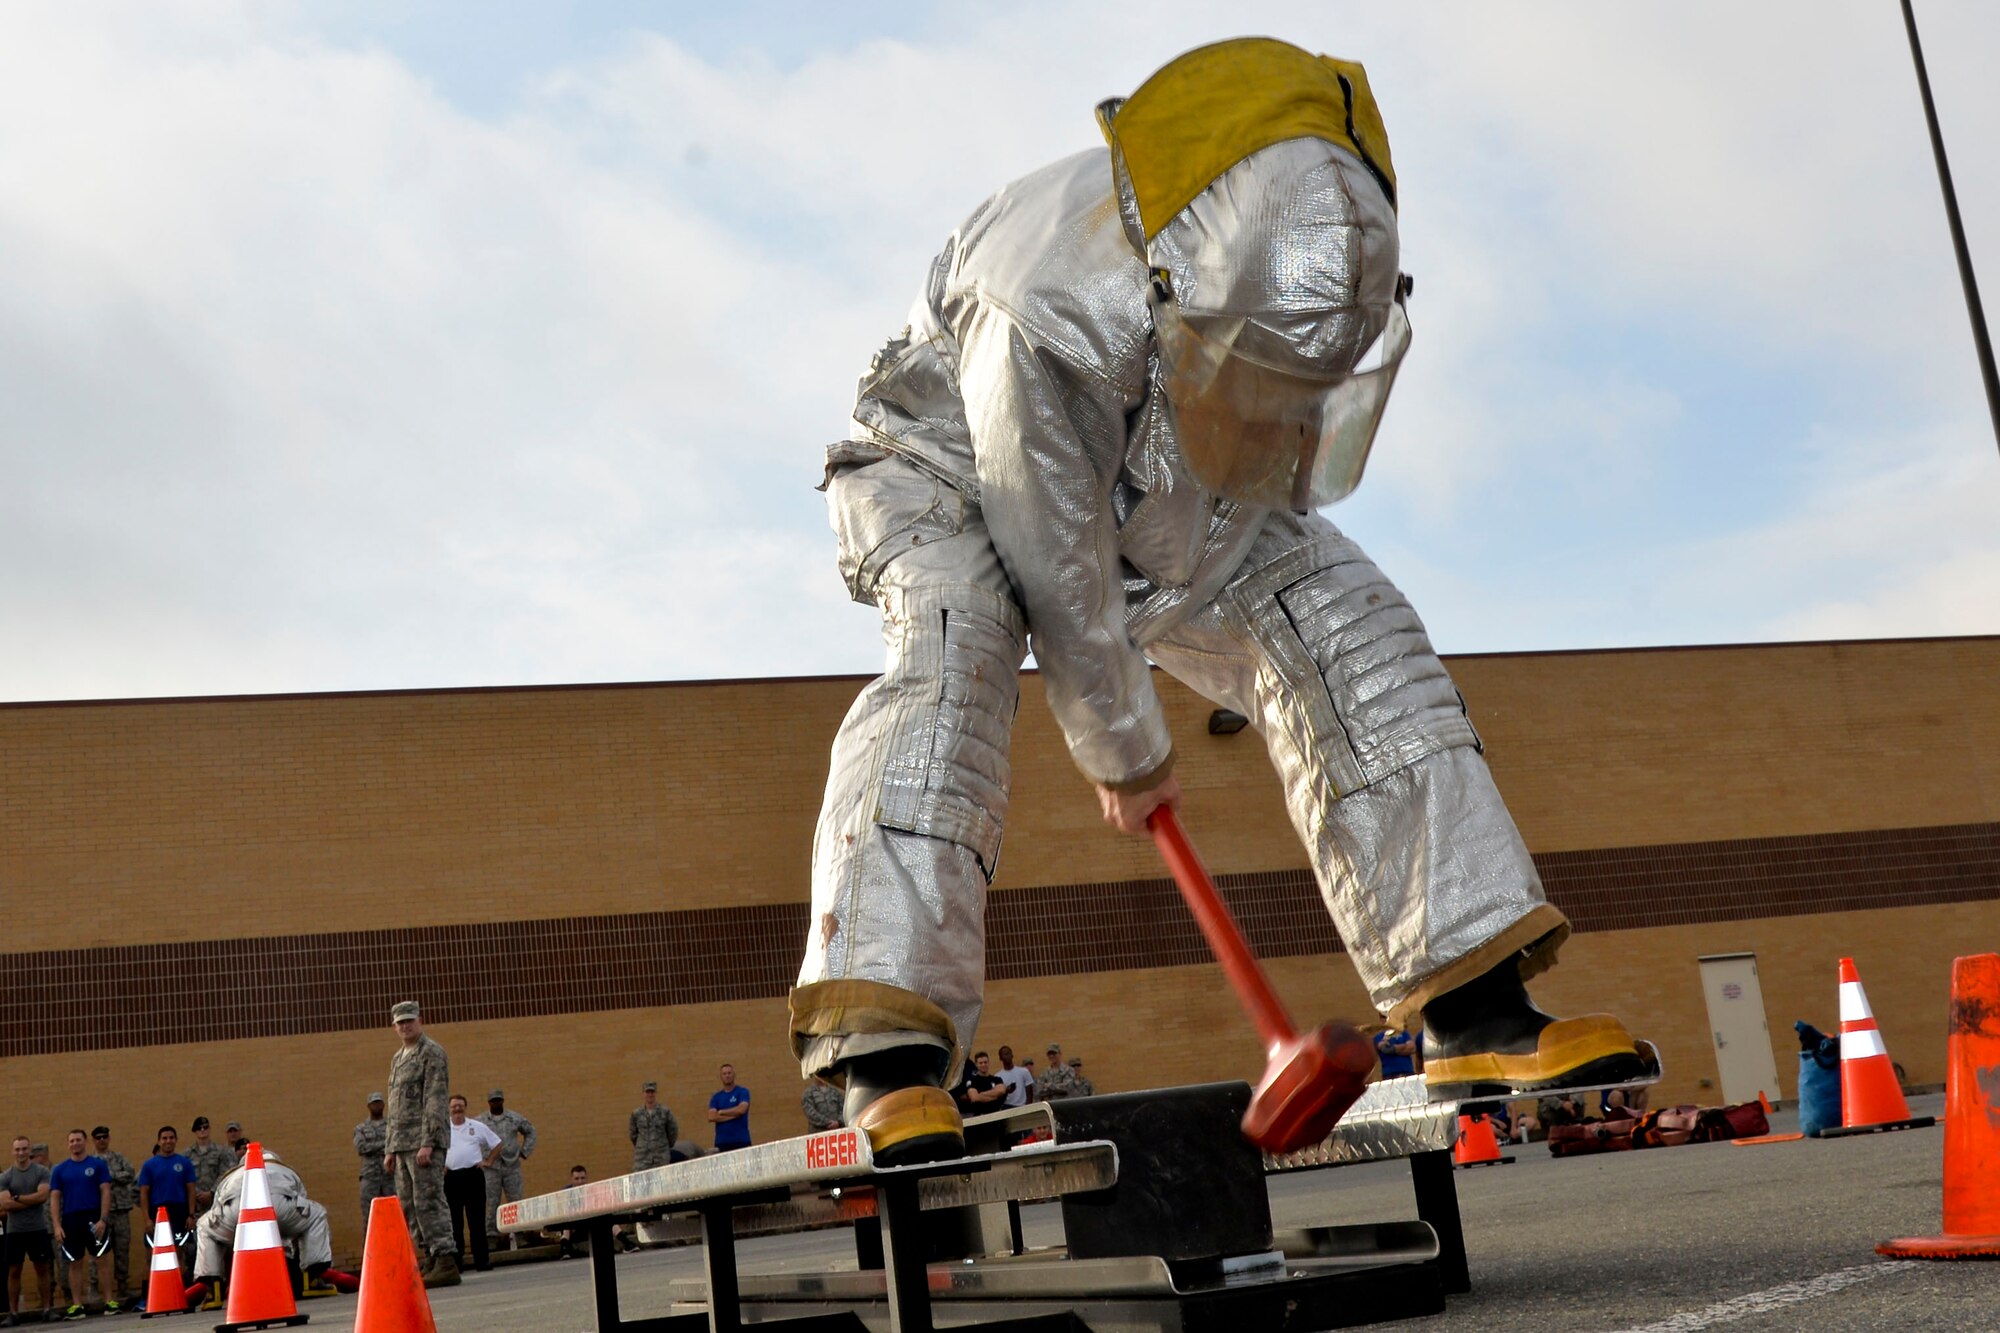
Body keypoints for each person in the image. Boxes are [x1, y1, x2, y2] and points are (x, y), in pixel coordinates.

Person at [787, 36, 1644, 1165]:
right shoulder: (1039, 293)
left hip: (1178, 476)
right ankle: (885, 1058)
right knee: (956, 660)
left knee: (1345, 628)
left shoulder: (1322, 265)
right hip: (956, 479)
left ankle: (1471, 1002)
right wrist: (1124, 751)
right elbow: (1053, 555)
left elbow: (1256, 468)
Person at [383, 1000, 457, 1288]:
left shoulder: (432, 1053)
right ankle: (428, 1258)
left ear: (420, 1020)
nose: (405, 1026)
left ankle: (446, 1259)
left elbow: (435, 1100)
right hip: (401, 1145)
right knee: (409, 1205)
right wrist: (390, 1147)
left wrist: (429, 1142)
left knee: (429, 1201)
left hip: (424, 1144)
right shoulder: (398, 1057)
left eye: (410, 1020)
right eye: (400, 1023)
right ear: (394, 1026)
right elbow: (395, 1105)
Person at [191, 1150, 333, 1301]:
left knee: (205, 1227)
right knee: (317, 1214)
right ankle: (313, 1278)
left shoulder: (232, 1175)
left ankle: (213, 1288)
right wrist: (287, 1243)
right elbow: (302, 1202)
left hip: (237, 1212)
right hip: (279, 1207)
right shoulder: (286, 1170)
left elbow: (216, 1208)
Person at [48, 1129, 120, 1318]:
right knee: (74, 1262)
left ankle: (109, 1301)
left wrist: (103, 1219)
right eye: (71, 1141)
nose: (75, 1143)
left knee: (102, 1259)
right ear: (68, 1144)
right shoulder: (60, 1169)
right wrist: (57, 1225)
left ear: (85, 1142)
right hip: (71, 1219)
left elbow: (105, 1191)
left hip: (93, 1218)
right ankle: (77, 1305)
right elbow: (54, 1198)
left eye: (78, 1140)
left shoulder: (97, 1165)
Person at [1, 1134, 57, 1325]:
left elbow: (42, 1197)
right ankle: (13, 1313)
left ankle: (47, 1309)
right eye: (17, 1149)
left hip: (37, 1228)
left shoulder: (41, 1172)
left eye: (24, 1149)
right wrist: (28, 1200)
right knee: (14, 1270)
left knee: (42, 1268)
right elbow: (5, 1205)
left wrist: (17, 1198)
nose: (21, 1152)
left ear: (29, 1150)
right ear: (12, 1151)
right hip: (14, 1231)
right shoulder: (6, 1176)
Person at [443, 1095, 501, 1273]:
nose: (457, 1109)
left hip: (473, 1176)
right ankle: (457, 1262)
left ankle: (482, 1261)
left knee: (477, 1221)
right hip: (452, 1178)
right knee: (455, 1222)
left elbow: (497, 1144)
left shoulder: (476, 1126)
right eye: (454, 1106)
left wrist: (488, 1161)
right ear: (449, 1109)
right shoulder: (444, 1128)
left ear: (465, 1107)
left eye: (460, 1106)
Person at [477, 1089, 535, 1253]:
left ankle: (519, 1234)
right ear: (489, 1103)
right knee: (491, 1202)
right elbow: (470, 1138)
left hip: (511, 1166)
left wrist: (525, 1151)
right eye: (493, 1101)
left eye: (499, 1100)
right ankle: (491, 1238)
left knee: (515, 1201)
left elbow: (531, 1131)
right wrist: (478, 1159)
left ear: (503, 1101)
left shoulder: (514, 1118)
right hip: (491, 1168)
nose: (496, 1103)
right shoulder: (481, 1121)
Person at [87, 1127, 137, 1306]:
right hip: (99, 1213)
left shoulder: (118, 1158)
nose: (102, 1140)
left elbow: (130, 1174)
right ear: (93, 1140)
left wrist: (109, 1177)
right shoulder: (90, 1162)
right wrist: (109, 1179)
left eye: (104, 1137)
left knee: (122, 1249)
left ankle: (123, 1285)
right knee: (97, 1251)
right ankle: (94, 1288)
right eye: (98, 1138)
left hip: (121, 1210)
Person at [134, 1126, 194, 1267]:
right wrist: (147, 1219)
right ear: (159, 1141)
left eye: (171, 1138)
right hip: (157, 1212)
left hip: (179, 1212)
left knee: (178, 1254)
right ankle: (155, 1289)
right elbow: (144, 1194)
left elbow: (191, 1190)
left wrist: (191, 1215)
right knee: (153, 1255)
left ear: (176, 1140)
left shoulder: (184, 1163)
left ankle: (178, 1289)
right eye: (165, 1138)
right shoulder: (149, 1165)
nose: (168, 1141)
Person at [353, 1092, 393, 1231]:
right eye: (374, 1103)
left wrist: (376, 1145)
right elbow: (362, 1148)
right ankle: (370, 1251)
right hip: (370, 1177)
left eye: (379, 1103)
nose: (377, 1106)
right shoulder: (361, 1128)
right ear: (369, 1106)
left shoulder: (391, 1125)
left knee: (393, 1215)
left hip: (390, 1176)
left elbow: (396, 1144)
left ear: (383, 1105)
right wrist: (385, 1145)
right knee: (369, 1217)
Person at [183, 1119, 233, 1218]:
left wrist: (211, 1192)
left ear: (209, 1129)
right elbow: (185, 1177)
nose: (202, 1130)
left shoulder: (221, 1151)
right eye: (199, 1128)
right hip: (195, 1204)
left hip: (216, 1201)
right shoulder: (187, 1154)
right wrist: (197, 1194)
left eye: (205, 1127)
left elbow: (224, 1174)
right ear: (194, 1131)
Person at [628, 1082, 677, 1172]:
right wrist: (643, 1145)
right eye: (647, 1092)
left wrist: (663, 1145)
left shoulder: (665, 1112)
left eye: (652, 1092)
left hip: (661, 1157)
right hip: (642, 1159)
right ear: (643, 1094)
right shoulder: (636, 1114)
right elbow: (633, 1134)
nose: (650, 1095)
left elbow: (672, 1131)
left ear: (655, 1093)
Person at [706, 1065, 751, 1152]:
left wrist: (722, 1112)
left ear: (734, 1075)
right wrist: (734, 1115)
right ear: (721, 1077)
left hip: (741, 1140)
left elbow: (741, 1110)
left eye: (729, 1073)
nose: (727, 1076)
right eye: (724, 1074)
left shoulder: (742, 1092)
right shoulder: (716, 1097)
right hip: (722, 1142)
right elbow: (711, 1117)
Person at [956, 1052, 1007, 1117]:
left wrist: (981, 1094)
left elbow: (1001, 1091)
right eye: (980, 1063)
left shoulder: (996, 1079)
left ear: (988, 1063)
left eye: (985, 1062)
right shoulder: (972, 1081)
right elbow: (975, 1098)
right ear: (976, 1064)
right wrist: (995, 1096)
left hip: (996, 1115)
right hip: (980, 1116)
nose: (983, 1065)